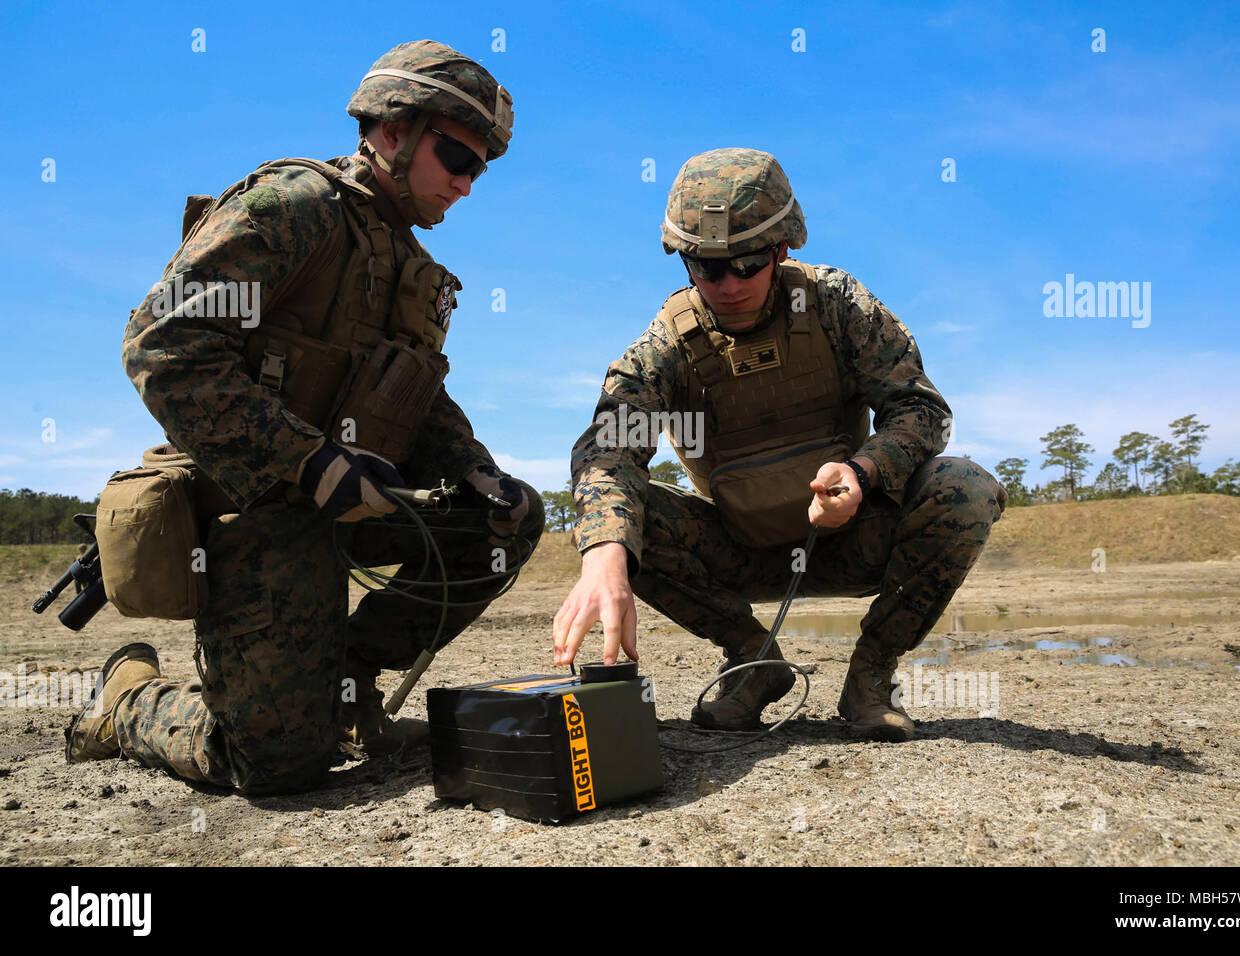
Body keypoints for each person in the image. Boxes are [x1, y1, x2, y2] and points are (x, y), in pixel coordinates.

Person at [64, 40, 543, 794]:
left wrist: (474, 469)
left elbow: (418, 397)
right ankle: (127, 699)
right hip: (255, 508)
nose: (466, 183)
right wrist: (307, 462)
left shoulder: (406, 265)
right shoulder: (294, 208)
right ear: (391, 130)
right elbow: (164, 342)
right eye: (456, 156)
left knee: (503, 518)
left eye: (479, 168)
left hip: (345, 499)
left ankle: (347, 686)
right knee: (272, 768)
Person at [552, 148, 1006, 742]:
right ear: (685, 262)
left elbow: (920, 410)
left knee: (965, 487)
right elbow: (610, 449)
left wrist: (864, 473)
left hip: (849, 532)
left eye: (746, 262)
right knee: (617, 520)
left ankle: (871, 675)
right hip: (740, 551)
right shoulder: (666, 344)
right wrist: (606, 556)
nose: (730, 284)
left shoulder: (836, 305)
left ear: (781, 249)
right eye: (709, 268)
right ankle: (753, 660)